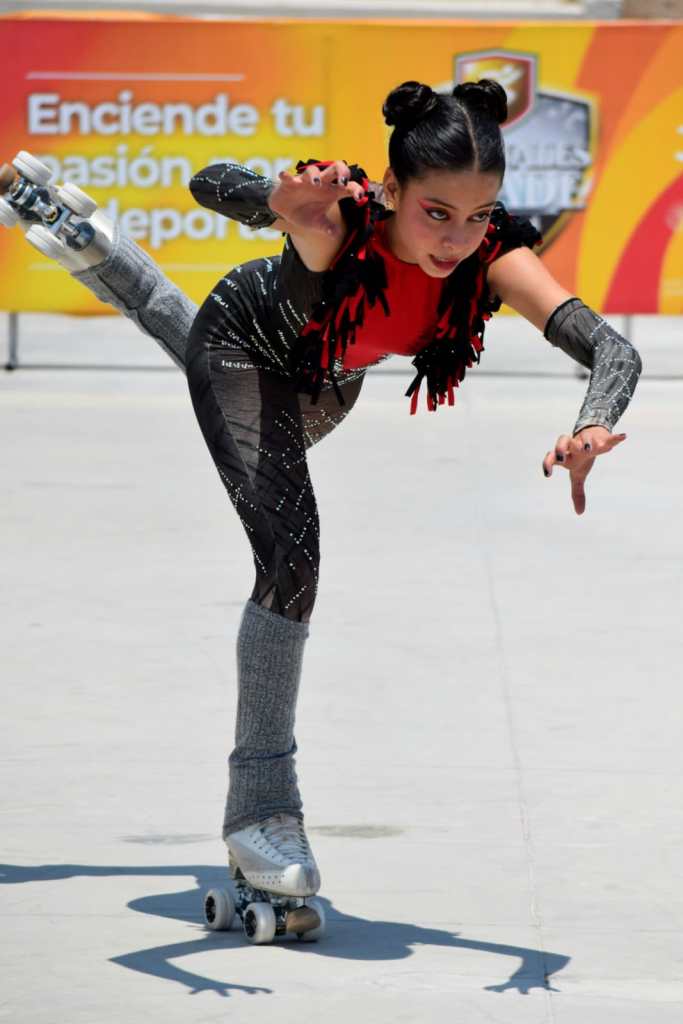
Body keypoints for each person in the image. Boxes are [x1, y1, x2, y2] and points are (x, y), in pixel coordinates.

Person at [5, 79, 642, 909]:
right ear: (390, 191)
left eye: (479, 214)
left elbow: (611, 349)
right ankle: (262, 808)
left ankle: (95, 250)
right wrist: (274, 200)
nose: (457, 237)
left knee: (271, 476)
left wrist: (592, 423)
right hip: (242, 349)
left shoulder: (490, 257)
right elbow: (207, 182)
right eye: (435, 213)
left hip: (325, 386)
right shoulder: (338, 208)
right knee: (291, 562)